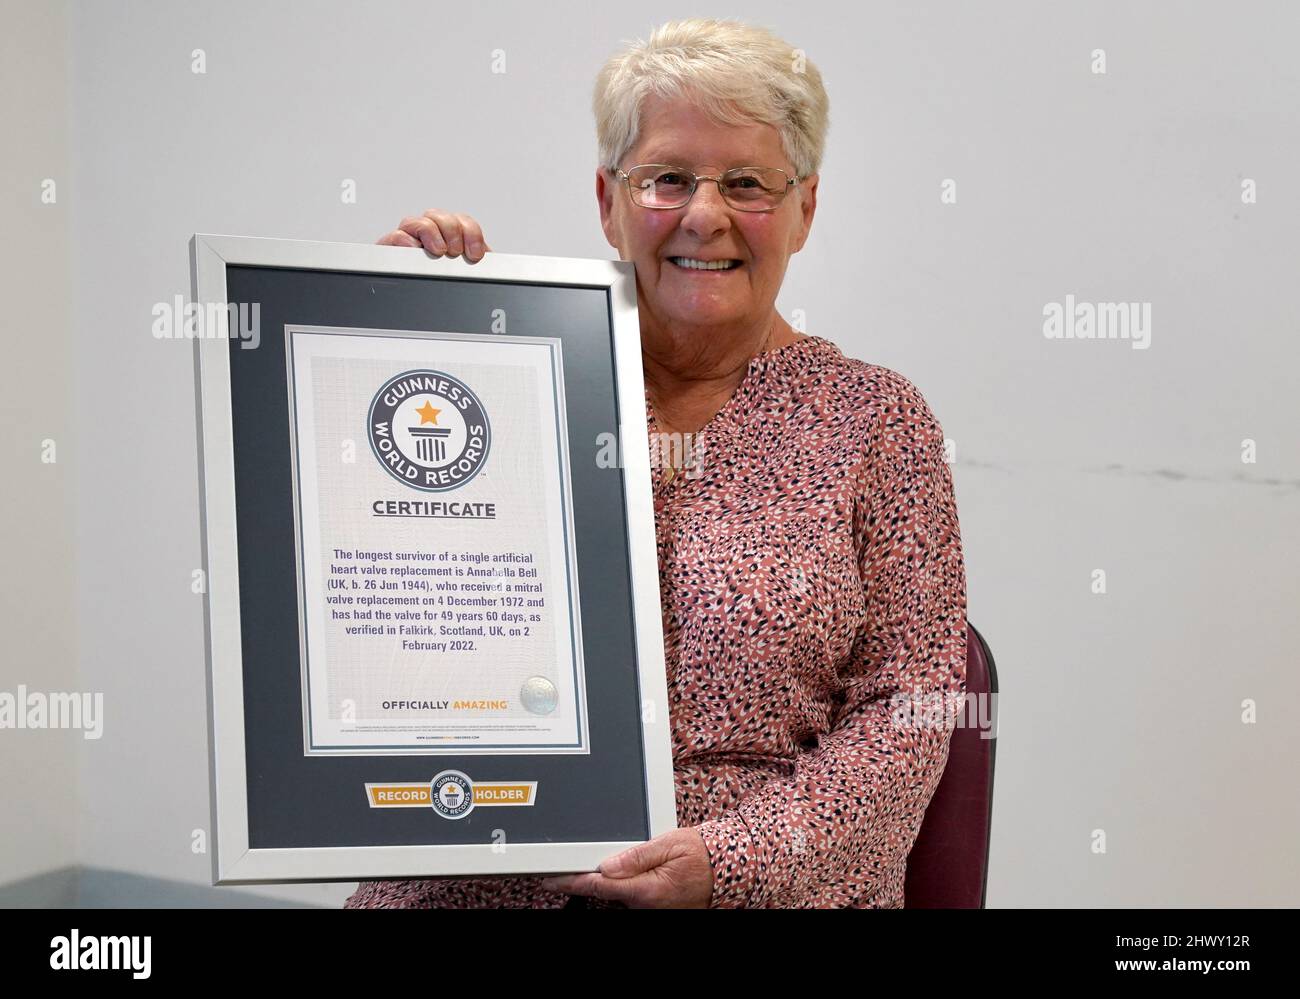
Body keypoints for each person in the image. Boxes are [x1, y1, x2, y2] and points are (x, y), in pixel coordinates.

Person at [345, 16, 967, 909]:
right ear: (608, 200)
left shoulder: (879, 424)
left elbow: (904, 715)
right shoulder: (506, 373)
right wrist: (382, 330)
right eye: (666, 178)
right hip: (480, 860)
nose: (703, 215)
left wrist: (733, 861)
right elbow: (380, 584)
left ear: (805, 211)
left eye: (747, 182)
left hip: (753, 886)